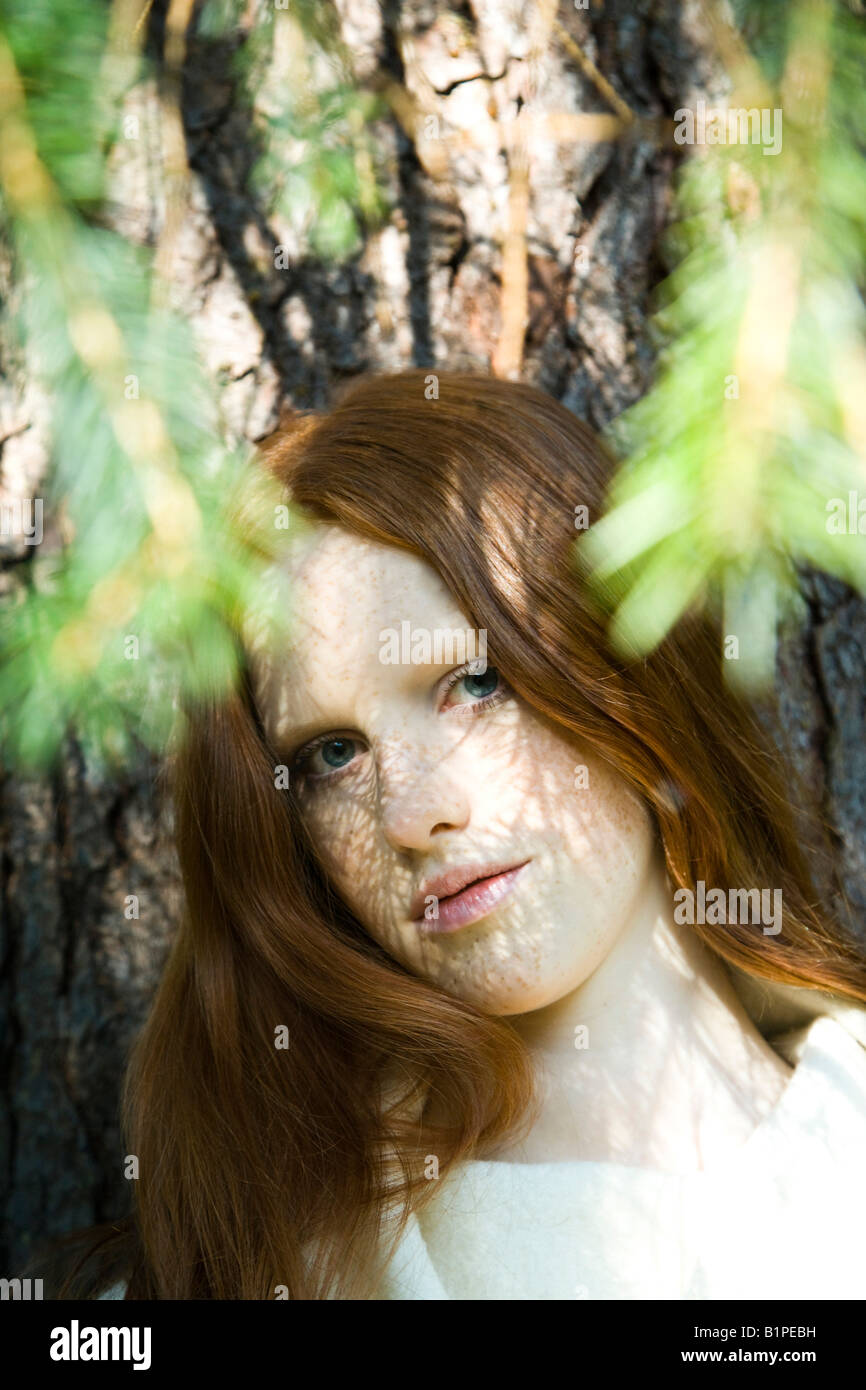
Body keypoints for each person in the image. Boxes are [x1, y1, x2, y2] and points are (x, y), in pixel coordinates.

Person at [42, 370, 866, 1299]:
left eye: (474, 683)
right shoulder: (246, 1272)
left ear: (631, 666)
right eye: (332, 756)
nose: (409, 813)